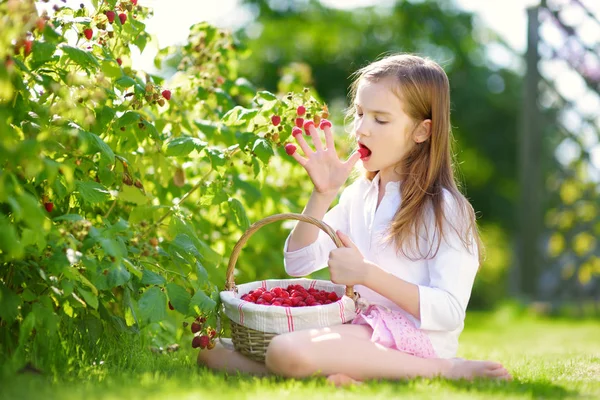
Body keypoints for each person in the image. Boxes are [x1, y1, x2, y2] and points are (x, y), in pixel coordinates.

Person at [198, 53, 512, 386]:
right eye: (360, 114)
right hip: (357, 329)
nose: (361, 128)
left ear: (422, 131)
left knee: (284, 352)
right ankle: (335, 377)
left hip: (414, 343)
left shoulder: (444, 208)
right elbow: (298, 262)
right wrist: (322, 194)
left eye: (380, 119)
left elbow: (448, 311)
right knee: (211, 351)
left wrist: (366, 274)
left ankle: (448, 370)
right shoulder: (358, 195)